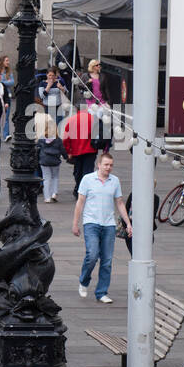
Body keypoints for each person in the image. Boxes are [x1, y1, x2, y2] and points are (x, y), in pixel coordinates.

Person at [72, 151, 132, 303]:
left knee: (106, 260)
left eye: (111, 165)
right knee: (92, 255)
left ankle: (102, 292)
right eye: (106, 165)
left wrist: (128, 223)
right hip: (91, 222)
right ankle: (84, 281)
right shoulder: (87, 179)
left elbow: (119, 202)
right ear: (99, 165)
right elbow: (80, 202)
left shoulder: (115, 181)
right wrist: (75, 223)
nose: (108, 168)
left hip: (108, 224)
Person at [62, 103, 97, 198]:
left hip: (76, 150)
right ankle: (85, 191)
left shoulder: (72, 120)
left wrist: (68, 151)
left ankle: (78, 189)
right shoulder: (93, 119)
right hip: (90, 150)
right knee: (88, 171)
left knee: (78, 171)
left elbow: (66, 138)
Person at [36, 114, 68, 202]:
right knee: (55, 177)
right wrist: (66, 157)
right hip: (55, 161)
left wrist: (37, 158)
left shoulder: (41, 139)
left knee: (46, 178)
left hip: (44, 161)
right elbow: (63, 150)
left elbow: (37, 149)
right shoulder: (58, 140)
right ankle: (54, 193)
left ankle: (47, 197)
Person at [0, 55, 15, 141]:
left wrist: (2, 83)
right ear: (2, 62)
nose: (8, 62)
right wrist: (5, 82)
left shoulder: (9, 72)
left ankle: (6, 135)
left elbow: (12, 82)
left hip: (7, 97)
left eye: (8, 60)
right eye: (6, 60)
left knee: (6, 116)